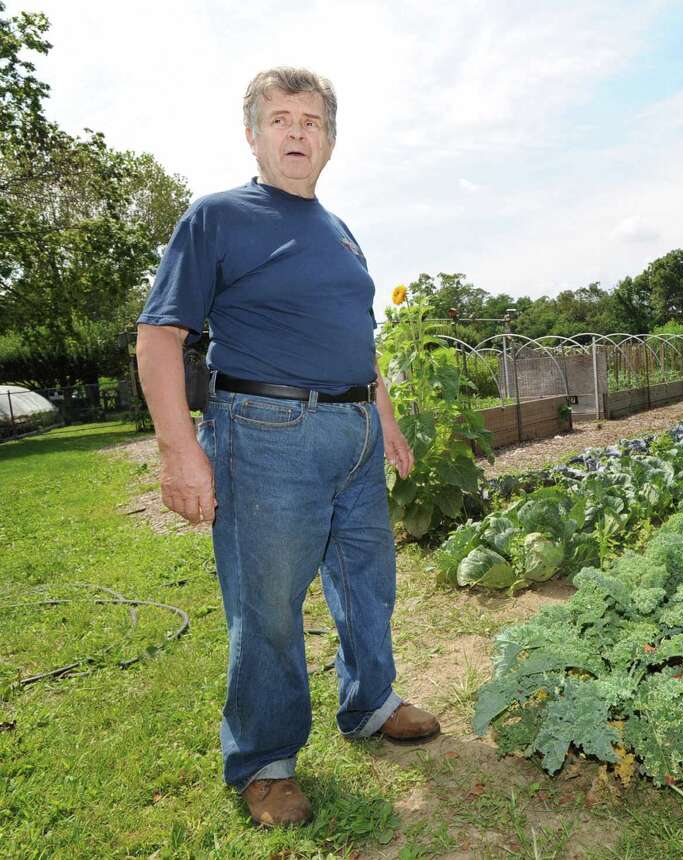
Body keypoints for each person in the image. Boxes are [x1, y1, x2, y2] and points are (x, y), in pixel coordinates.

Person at [136, 67, 439, 828]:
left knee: (367, 583)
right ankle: (265, 761)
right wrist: (179, 451)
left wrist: (387, 418)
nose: (297, 131)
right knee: (268, 605)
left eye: (311, 120)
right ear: (253, 135)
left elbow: (358, 339)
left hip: (356, 436)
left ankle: (370, 704)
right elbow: (159, 336)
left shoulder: (339, 232)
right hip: (267, 435)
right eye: (280, 119)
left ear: (330, 141)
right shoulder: (217, 218)